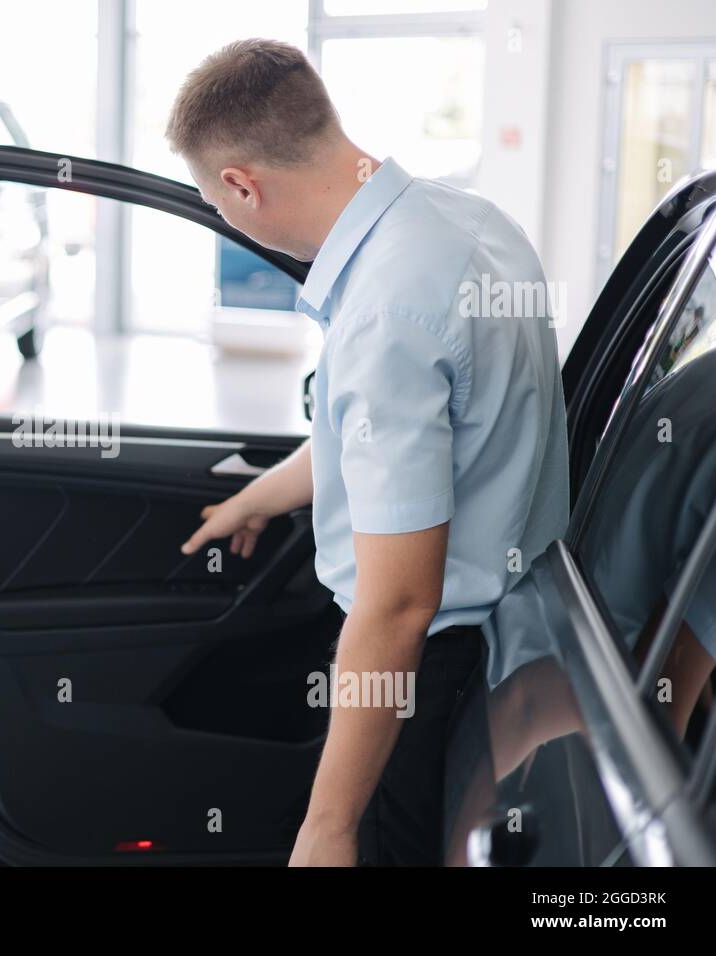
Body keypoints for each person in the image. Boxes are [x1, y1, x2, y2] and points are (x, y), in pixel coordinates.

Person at [170, 39, 569, 866]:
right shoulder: (467, 223)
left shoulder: (386, 316)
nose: (226, 218)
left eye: (217, 204)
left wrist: (330, 826)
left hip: (421, 672)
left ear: (242, 185)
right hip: (505, 638)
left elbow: (397, 605)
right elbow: (414, 441)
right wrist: (259, 497)